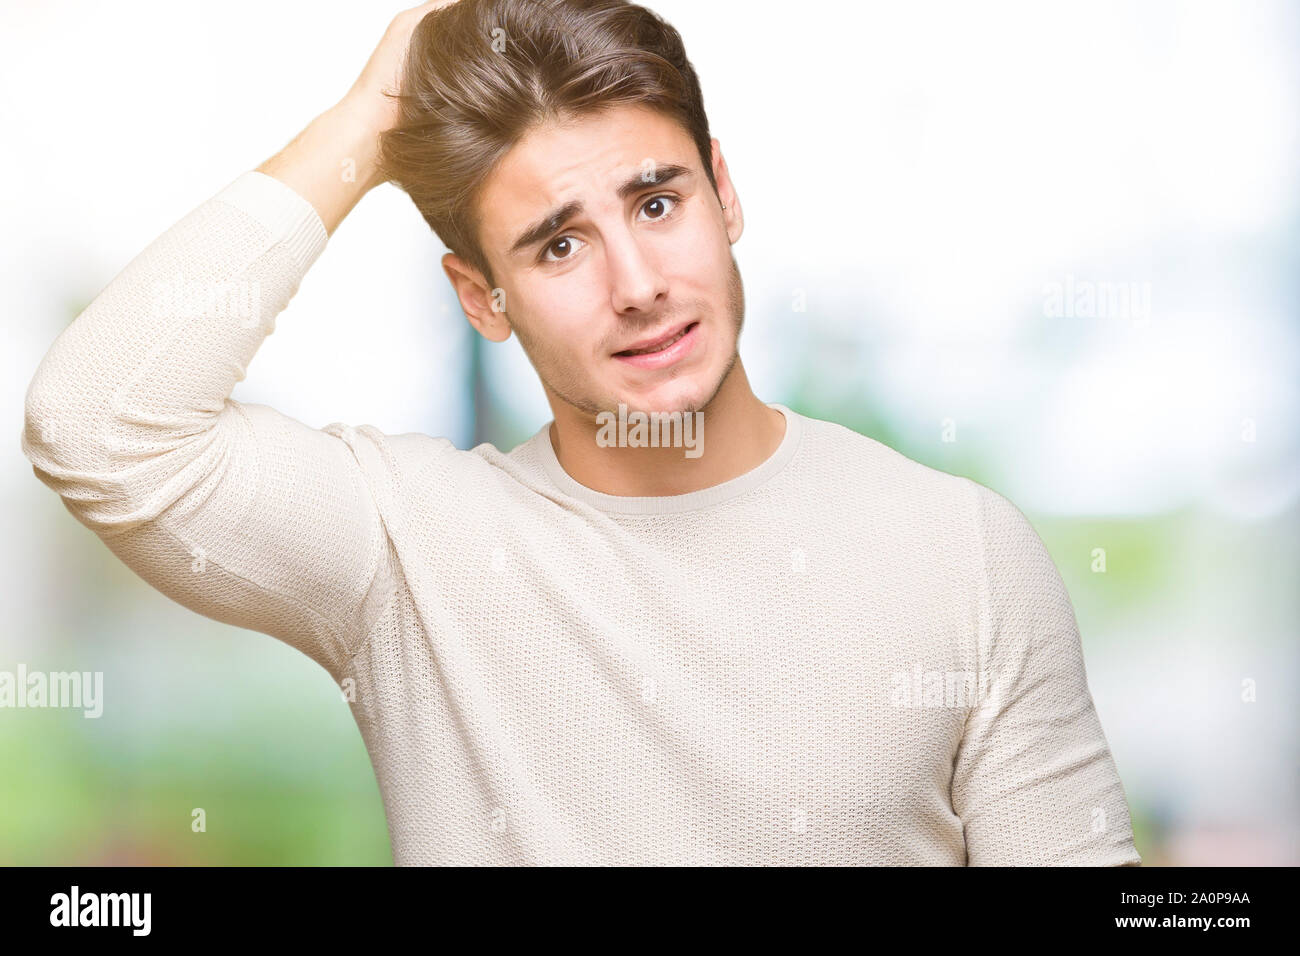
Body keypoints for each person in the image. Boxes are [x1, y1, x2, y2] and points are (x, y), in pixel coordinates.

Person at [20, 0, 1141, 866]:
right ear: (481, 297)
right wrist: (363, 124)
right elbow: (98, 422)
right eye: (559, 245)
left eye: (657, 203)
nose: (639, 283)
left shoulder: (962, 553)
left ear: (723, 192)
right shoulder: (405, 553)